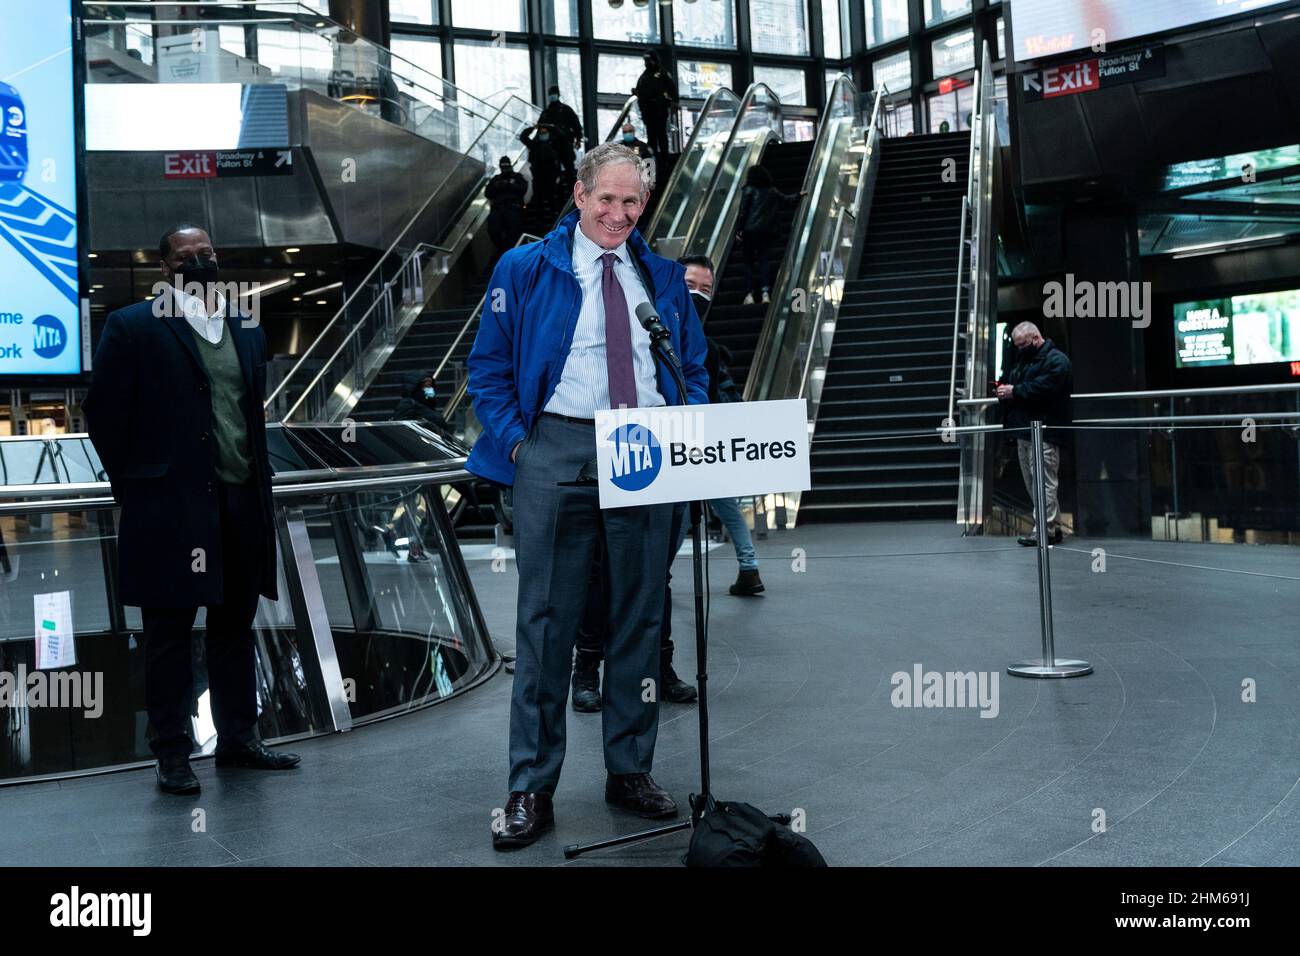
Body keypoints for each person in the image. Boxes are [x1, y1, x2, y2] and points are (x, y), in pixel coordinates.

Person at [466, 143, 709, 850]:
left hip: (645, 451)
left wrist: (685, 424)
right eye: (607, 198)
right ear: (578, 194)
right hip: (559, 447)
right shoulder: (526, 266)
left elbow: (689, 361)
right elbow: (487, 365)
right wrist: (520, 442)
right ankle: (529, 787)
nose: (619, 213)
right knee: (546, 624)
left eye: (632, 202)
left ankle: (629, 771)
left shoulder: (659, 276)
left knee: (639, 618)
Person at [83, 223, 300, 796]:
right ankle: (172, 755)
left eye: (206, 253)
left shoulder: (246, 325)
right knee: (169, 635)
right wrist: (135, 484)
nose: (198, 262)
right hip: (169, 507)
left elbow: (245, 411)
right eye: (184, 257)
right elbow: (102, 414)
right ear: (164, 269)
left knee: (234, 627)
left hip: (240, 500)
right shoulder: (132, 326)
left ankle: (238, 739)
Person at [569, 254, 760, 714]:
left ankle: (659, 667)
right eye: (691, 285)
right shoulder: (600, 313)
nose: (697, 296)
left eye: (703, 289)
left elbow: (705, 381)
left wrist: (692, 421)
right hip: (601, 449)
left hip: (663, 455)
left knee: (657, 573)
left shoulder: (693, 341)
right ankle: (587, 669)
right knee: (598, 572)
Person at [996, 321, 1072, 546]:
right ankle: (1052, 527)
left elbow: (1045, 388)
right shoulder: (1025, 361)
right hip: (1025, 431)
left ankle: (1044, 531)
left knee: (1043, 484)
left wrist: (1015, 391)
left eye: (1022, 344)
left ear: (1036, 339)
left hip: (1045, 431)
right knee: (1034, 485)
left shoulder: (1057, 361)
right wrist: (1006, 390)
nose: (1019, 349)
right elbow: (1023, 387)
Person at [736, 164, 800, 305]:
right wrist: (799, 195)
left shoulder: (749, 190)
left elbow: (743, 211)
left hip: (749, 232)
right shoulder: (772, 191)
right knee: (764, 261)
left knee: (748, 263)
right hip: (766, 232)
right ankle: (765, 294)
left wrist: (739, 229)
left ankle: (749, 295)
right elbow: (787, 200)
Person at [633, 50, 678, 167]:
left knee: (661, 136)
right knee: (651, 137)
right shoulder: (644, 76)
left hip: (659, 110)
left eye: (649, 60)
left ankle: (665, 159)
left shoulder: (663, 74)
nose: (647, 63)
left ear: (655, 60)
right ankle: (653, 159)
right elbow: (640, 92)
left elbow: (672, 89)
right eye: (646, 61)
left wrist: (674, 102)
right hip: (648, 112)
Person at [539, 84, 583, 186]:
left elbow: (576, 124)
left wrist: (578, 139)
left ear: (558, 95)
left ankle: (573, 189)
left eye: (553, 94)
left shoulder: (566, 110)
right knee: (553, 170)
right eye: (550, 94)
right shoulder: (546, 112)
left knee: (569, 169)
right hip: (551, 146)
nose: (551, 96)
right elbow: (540, 128)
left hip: (565, 144)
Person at [485, 156, 528, 258]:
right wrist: (497, 185)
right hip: (497, 209)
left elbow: (523, 189)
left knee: (513, 234)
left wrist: (509, 184)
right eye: (502, 166)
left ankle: (510, 253)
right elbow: (487, 193)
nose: (504, 168)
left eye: (506, 166)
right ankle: (503, 250)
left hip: (513, 209)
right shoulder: (496, 179)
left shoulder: (517, 177)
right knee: (493, 230)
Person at [519, 123, 563, 218]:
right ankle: (540, 215)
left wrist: (549, 126)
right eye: (541, 132)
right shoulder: (534, 145)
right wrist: (532, 128)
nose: (543, 134)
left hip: (551, 174)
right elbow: (523, 137)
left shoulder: (553, 144)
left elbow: (560, 135)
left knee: (551, 195)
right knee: (538, 196)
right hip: (538, 174)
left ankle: (555, 213)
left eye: (545, 132)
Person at [619, 121, 656, 192]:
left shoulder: (643, 147)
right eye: (625, 132)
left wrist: (652, 180)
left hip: (640, 182)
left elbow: (651, 163)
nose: (627, 133)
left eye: (630, 131)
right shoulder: (618, 148)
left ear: (634, 132)